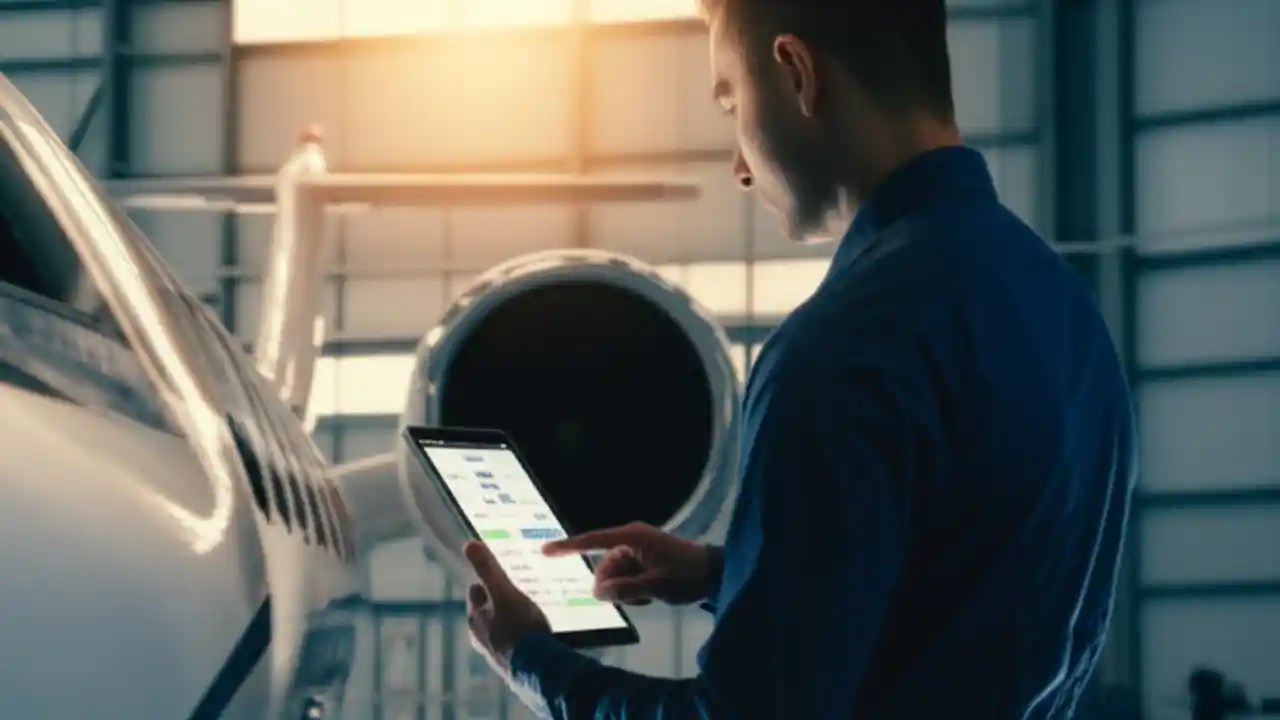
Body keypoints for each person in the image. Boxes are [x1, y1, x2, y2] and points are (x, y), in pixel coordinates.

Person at [461, 0, 1137, 717]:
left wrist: (532, 662)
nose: (739, 167)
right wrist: (727, 574)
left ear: (796, 74)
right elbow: (959, 599)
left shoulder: (843, 346)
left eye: (732, 104)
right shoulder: (1069, 313)